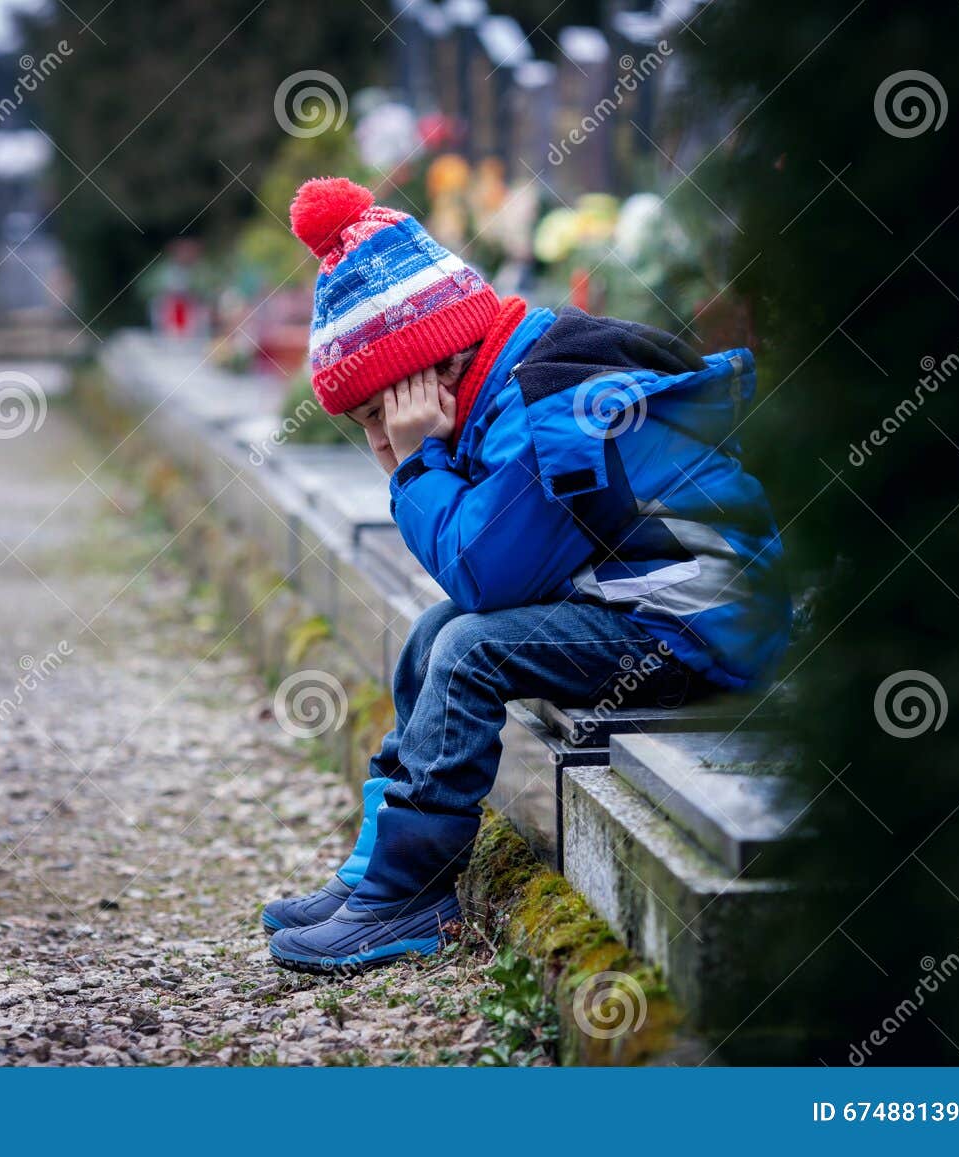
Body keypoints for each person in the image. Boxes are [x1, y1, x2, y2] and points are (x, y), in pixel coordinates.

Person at [264, 178, 791, 974]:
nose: (378, 440)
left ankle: (412, 895)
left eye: (377, 414)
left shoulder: (548, 410)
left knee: (470, 645)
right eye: (368, 425)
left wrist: (416, 463)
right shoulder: (512, 382)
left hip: (691, 630)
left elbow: (483, 575)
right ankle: (375, 871)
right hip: (636, 606)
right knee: (435, 633)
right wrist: (420, 456)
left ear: (430, 373)